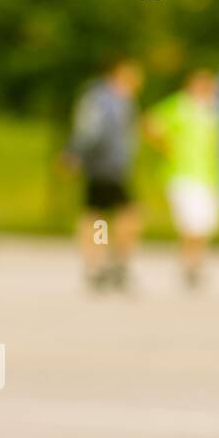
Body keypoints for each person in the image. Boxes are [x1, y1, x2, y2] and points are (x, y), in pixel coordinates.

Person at [61, 56, 143, 291]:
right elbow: (89, 130)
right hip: (104, 165)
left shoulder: (123, 99)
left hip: (115, 165)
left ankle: (102, 264)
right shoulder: (102, 99)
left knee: (100, 215)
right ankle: (103, 263)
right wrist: (75, 153)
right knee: (112, 214)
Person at [144, 69, 219, 288]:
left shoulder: (216, 109)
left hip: (211, 175)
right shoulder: (179, 105)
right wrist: (165, 146)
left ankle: (196, 263)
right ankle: (188, 264)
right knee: (191, 222)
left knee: (206, 224)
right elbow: (151, 122)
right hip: (182, 173)